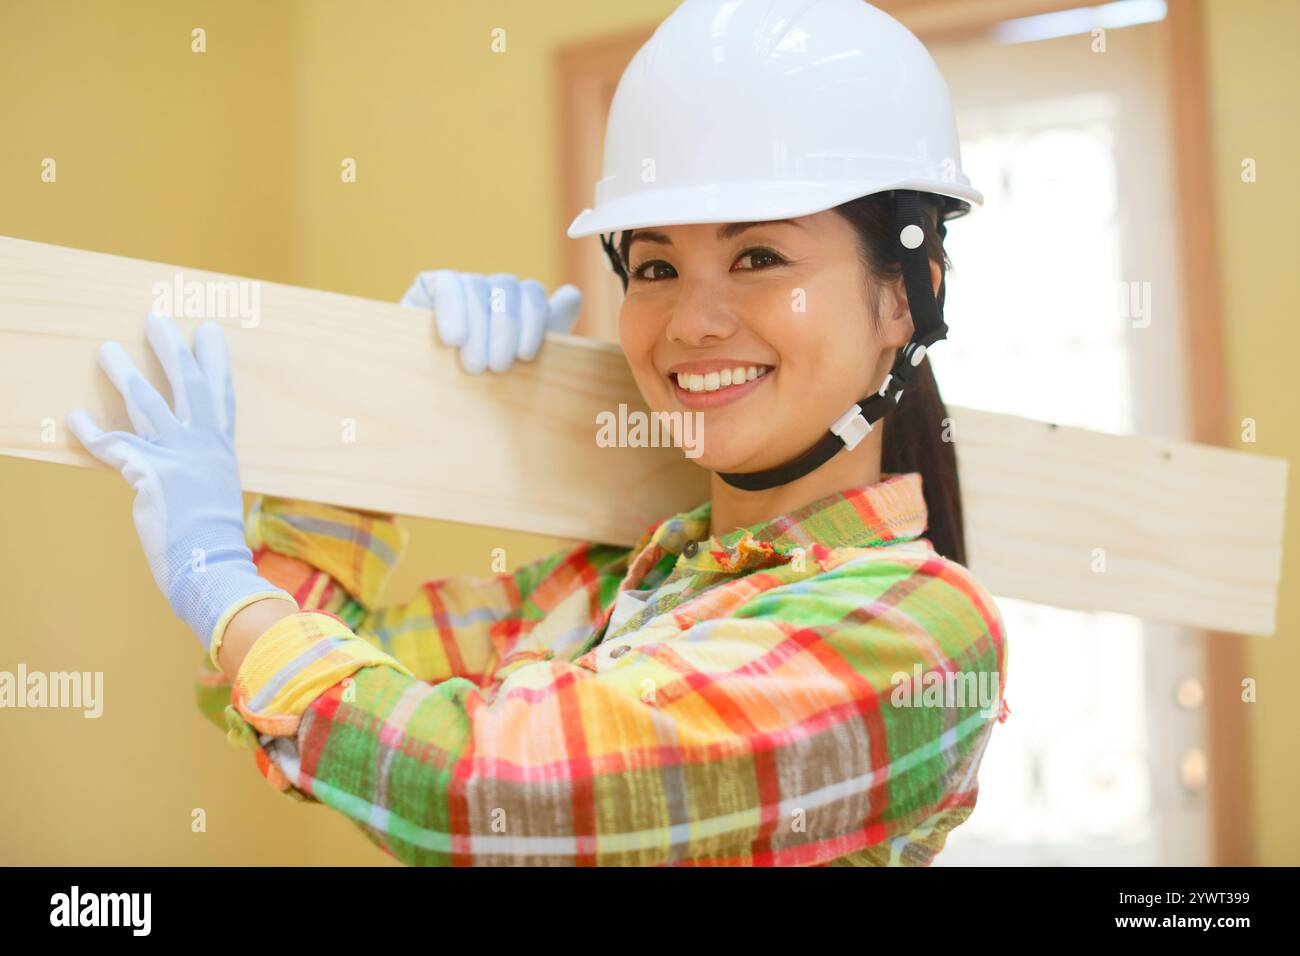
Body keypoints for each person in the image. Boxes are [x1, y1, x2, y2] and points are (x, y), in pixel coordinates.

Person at [69, 0, 1007, 866]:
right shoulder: (604, 592)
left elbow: (493, 796)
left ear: (907, 297)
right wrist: (396, 408)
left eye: (758, 255)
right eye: (654, 267)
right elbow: (279, 689)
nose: (690, 322)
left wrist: (219, 582)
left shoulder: (920, 629)